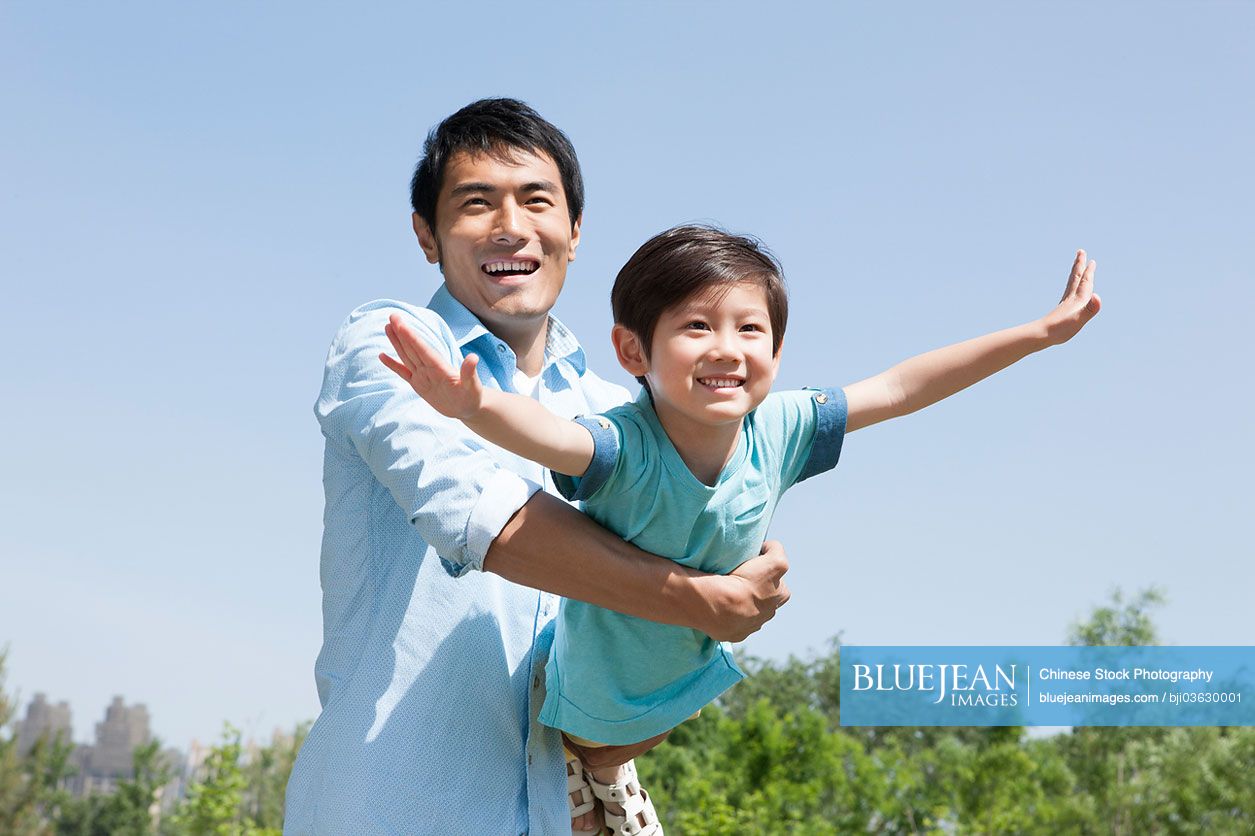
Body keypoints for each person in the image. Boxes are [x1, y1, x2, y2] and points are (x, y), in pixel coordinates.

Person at [382, 225, 1102, 835]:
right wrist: (475, 408)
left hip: (670, 686)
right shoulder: (621, 446)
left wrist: (1037, 335)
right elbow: (547, 436)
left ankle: (605, 774)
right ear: (633, 352)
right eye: (696, 326)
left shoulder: (782, 426)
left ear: (776, 353)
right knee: (594, 756)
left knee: (621, 755)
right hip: (578, 715)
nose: (726, 347)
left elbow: (900, 386)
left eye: (748, 329)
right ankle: (587, 775)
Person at [283, 99, 795, 836]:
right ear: (427, 235)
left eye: (535, 200)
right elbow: (484, 518)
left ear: (574, 232)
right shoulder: (394, 344)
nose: (511, 226)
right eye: (475, 203)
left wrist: (717, 594)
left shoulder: (617, 412)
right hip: (395, 804)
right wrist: (695, 598)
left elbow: (618, 674)